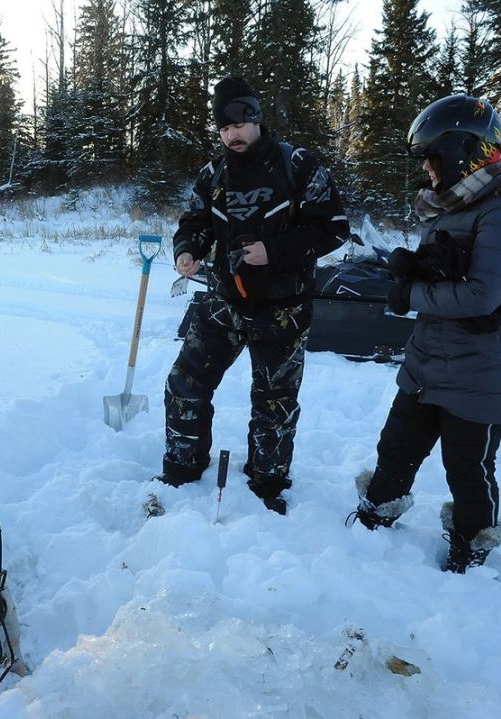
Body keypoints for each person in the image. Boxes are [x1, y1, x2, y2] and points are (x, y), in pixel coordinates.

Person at [347, 95, 501, 573]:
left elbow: (482, 294)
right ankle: (373, 521)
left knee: (467, 470)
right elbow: (453, 268)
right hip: (428, 359)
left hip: (480, 369)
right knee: (396, 447)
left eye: (432, 156)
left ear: (464, 152)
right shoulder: (451, 204)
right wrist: (415, 266)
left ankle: (471, 550)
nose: (426, 167)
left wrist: (409, 295)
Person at [158, 76, 350, 513]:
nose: (232, 134)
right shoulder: (214, 173)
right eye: (224, 128)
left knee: (274, 403)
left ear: (256, 117)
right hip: (224, 301)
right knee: (184, 384)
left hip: (282, 308)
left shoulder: (297, 164)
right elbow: (195, 222)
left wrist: (276, 251)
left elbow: (335, 228)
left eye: (240, 123)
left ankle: (268, 484)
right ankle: (183, 471)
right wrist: (187, 250)